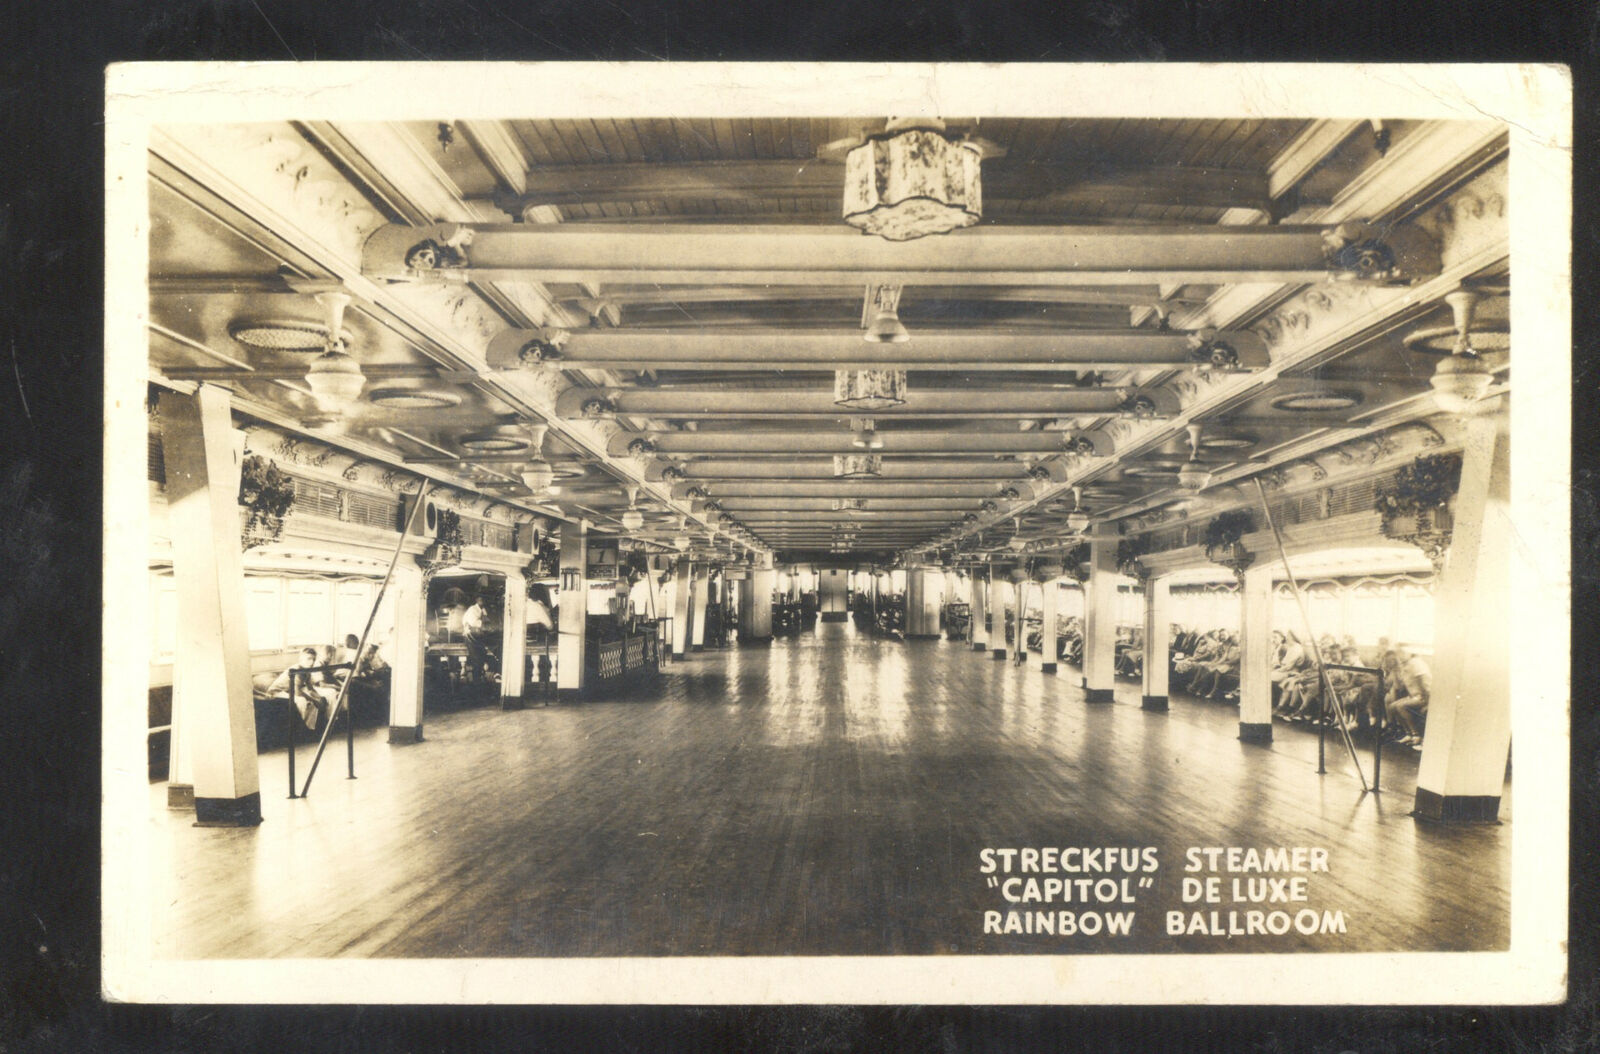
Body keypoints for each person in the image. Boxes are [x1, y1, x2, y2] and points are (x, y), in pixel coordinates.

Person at [268, 647, 338, 730]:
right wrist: (314, 700)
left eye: (313, 659)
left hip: (289, 690)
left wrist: (319, 697)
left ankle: (309, 728)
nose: (311, 662)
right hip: (277, 692)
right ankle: (300, 727)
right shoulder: (297, 670)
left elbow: (310, 688)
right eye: (308, 659)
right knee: (303, 701)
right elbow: (297, 692)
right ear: (301, 659)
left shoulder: (307, 670)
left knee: (314, 703)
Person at [1387, 646, 1433, 749]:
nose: (1399, 656)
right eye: (1398, 654)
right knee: (1392, 707)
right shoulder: (1404, 665)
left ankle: (1416, 735)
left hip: (1423, 696)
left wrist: (1428, 701)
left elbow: (1426, 683)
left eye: (1402, 653)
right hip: (1413, 696)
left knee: (1400, 706)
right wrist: (1395, 672)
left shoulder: (1416, 663)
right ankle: (1408, 734)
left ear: (1410, 653)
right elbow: (1400, 686)